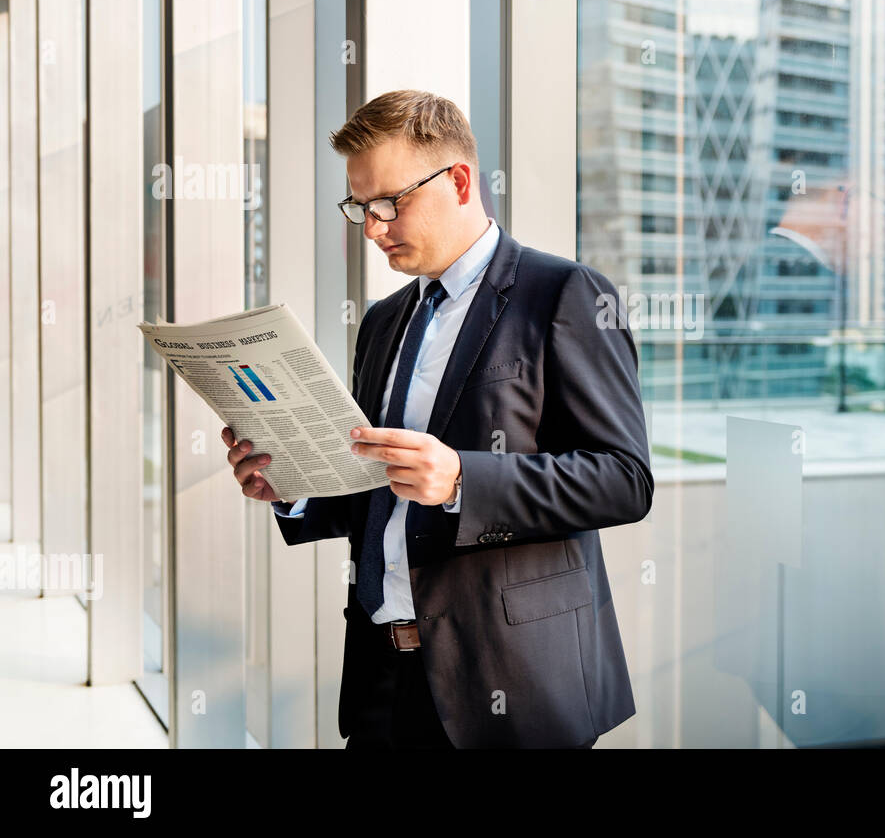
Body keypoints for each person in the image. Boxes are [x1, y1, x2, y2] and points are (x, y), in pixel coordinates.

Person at [221, 90, 652, 748]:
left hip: (512, 685)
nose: (372, 226)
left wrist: (461, 480)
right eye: (360, 206)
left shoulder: (564, 295)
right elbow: (377, 489)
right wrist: (293, 485)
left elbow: (624, 478)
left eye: (390, 201)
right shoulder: (382, 320)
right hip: (380, 678)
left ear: (458, 181)